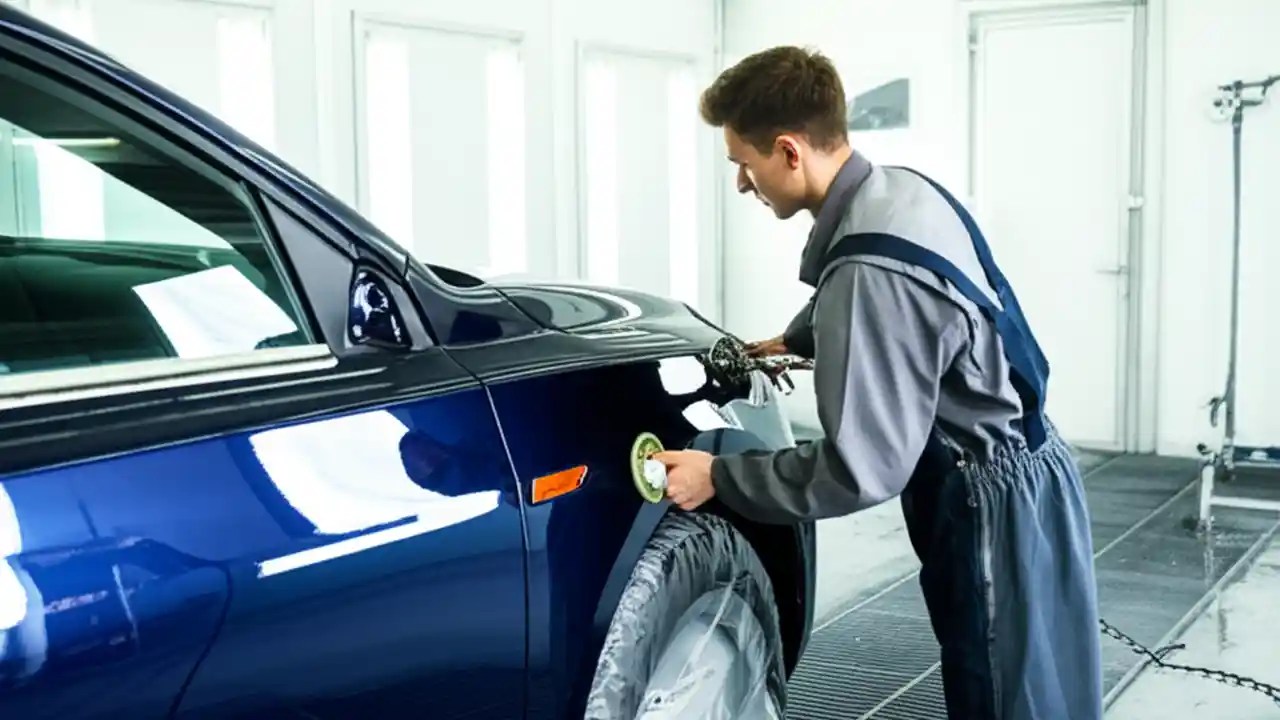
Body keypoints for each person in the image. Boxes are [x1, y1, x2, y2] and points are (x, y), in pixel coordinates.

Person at [652, 46, 1103, 720]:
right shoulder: (899, 191)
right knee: (1047, 694)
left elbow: (861, 469)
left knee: (1004, 700)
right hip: (1033, 473)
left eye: (745, 165)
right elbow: (922, 295)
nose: (744, 184)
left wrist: (722, 478)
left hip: (988, 508)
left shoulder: (866, 274)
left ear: (789, 152)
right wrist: (805, 335)